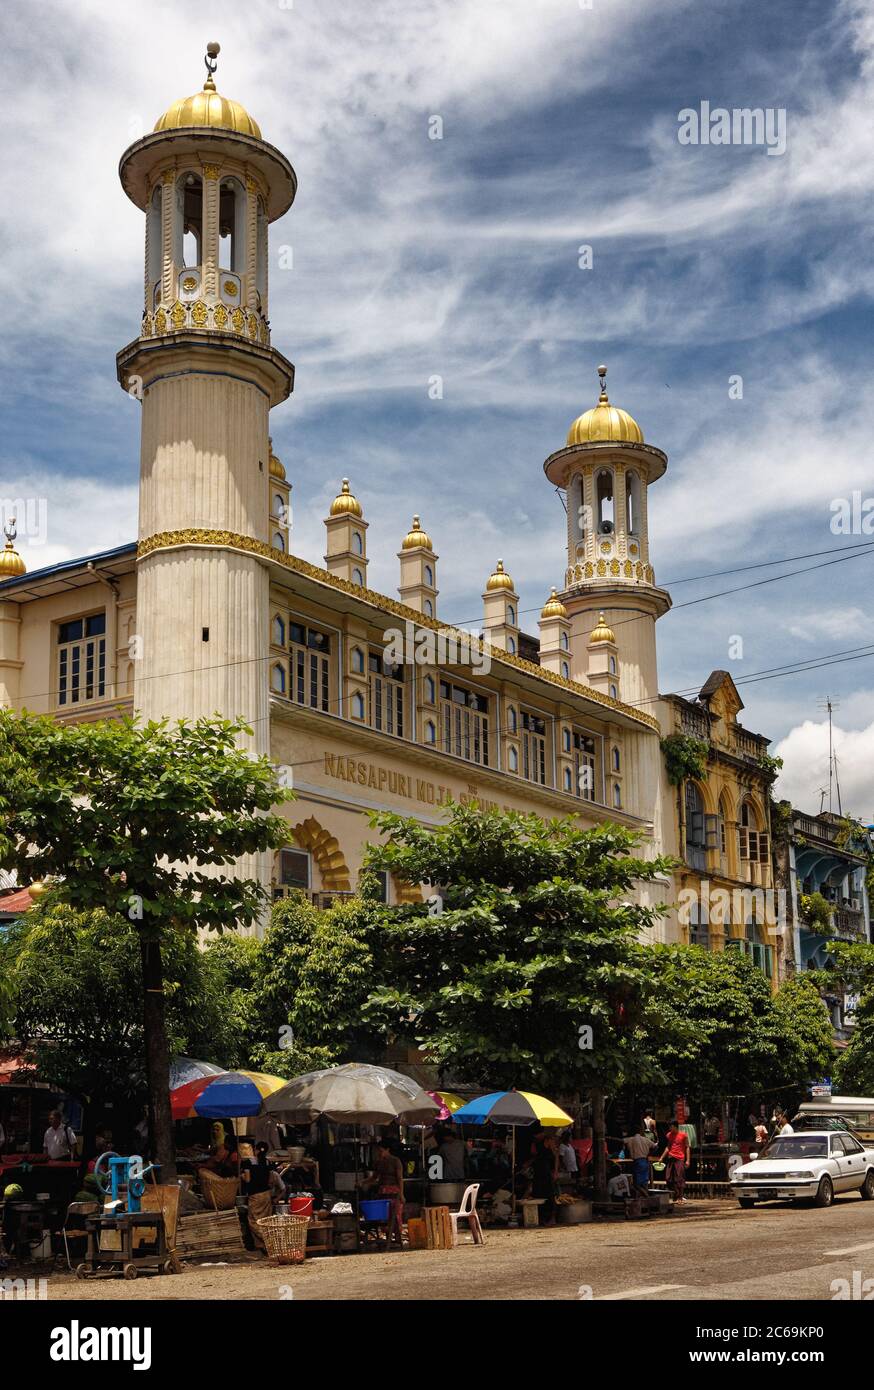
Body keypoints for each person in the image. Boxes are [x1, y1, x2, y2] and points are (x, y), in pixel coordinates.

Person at [366, 1138, 405, 1248]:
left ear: (387, 1150)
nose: (380, 1153)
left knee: (396, 1215)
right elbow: (374, 1178)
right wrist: (362, 1182)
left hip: (394, 1191)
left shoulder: (395, 1161)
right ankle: (388, 1238)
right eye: (379, 1151)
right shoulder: (378, 1162)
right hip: (382, 1192)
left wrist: (401, 1194)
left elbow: (400, 1178)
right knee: (385, 1216)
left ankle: (398, 1238)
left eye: (381, 1150)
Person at [659, 1120, 691, 1203]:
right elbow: (668, 1147)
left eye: (671, 1126)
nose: (670, 1128)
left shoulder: (683, 1135)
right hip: (670, 1157)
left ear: (675, 1126)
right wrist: (662, 1157)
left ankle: (680, 1197)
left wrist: (688, 1160)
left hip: (680, 1158)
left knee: (679, 1178)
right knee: (668, 1178)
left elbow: (687, 1147)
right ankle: (676, 1194)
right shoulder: (669, 1135)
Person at [531, 1135, 559, 1227]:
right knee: (538, 1194)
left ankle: (552, 1218)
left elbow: (556, 1158)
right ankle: (541, 1218)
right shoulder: (538, 1145)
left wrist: (555, 1171)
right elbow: (535, 1157)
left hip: (547, 1173)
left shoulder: (551, 1146)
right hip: (538, 1173)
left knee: (550, 1195)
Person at [625, 1123, 655, 1194]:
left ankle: (646, 1196)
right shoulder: (646, 1140)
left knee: (636, 1183)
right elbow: (655, 1146)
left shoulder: (630, 1139)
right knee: (644, 1182)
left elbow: (621, 1140)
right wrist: (649, 1154)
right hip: (645, 1162)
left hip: (638, 1162)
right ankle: (644, 1195)